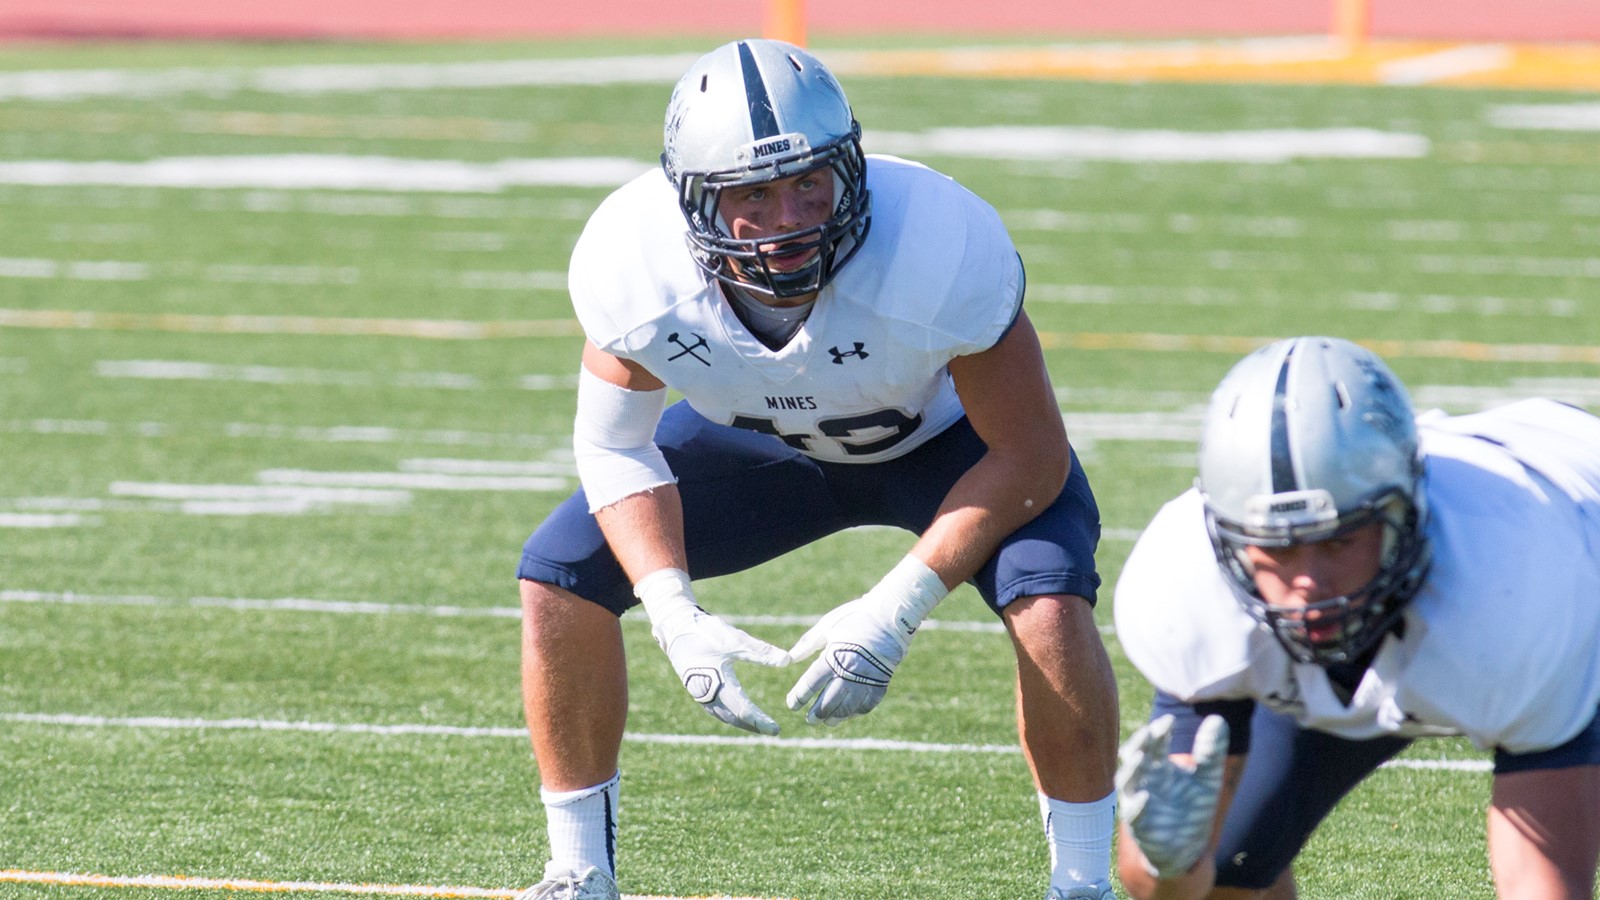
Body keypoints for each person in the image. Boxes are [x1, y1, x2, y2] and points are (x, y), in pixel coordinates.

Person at [512, 38, 1120, 900]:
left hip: (951, 450)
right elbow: (615, 444)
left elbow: (1031, 452)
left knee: (1048, 599)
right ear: (695, 200)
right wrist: (672, 609)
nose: (791, 214)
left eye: (809, 182)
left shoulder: (936, 240)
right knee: (560, 575)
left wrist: (895, 609)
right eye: (753, 194)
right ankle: (577, 870)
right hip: (765, 446)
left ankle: (1083, 884)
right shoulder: (635, 265)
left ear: (851, 168)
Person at [1111, 335, 1600, 900]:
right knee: (1224, 873)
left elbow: (1541, 886)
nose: (1307, 586)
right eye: (1277, 550)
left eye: (1340, 541)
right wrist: (1168, 864)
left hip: (1580, 533)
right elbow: (1166, 890)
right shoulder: (1189, 580)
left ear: (1408, 515)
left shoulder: (1516, 577)